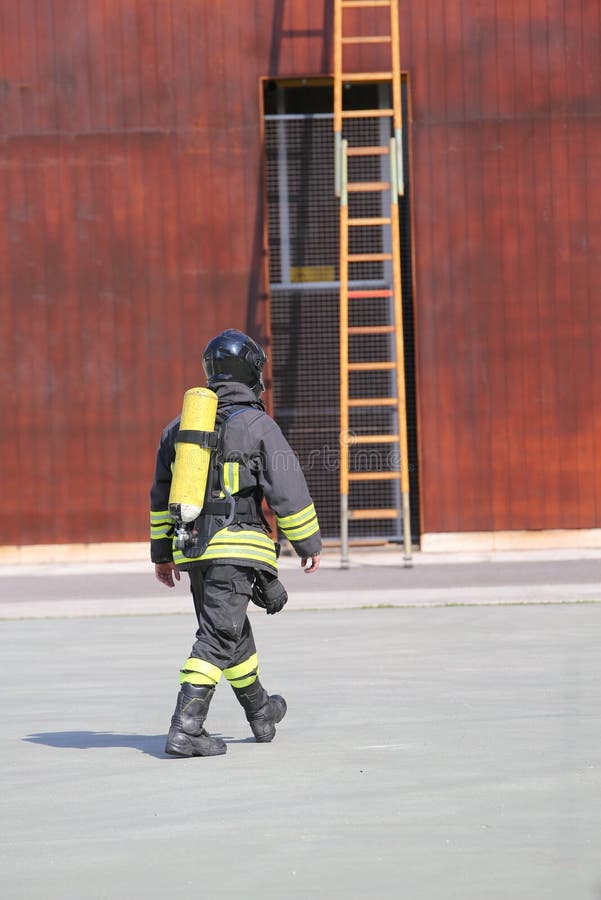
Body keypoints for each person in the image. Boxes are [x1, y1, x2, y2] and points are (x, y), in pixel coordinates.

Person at [150, 328, 321, 758]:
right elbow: (287, 486)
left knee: (232, 633)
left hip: (192, 551)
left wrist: (161, 555)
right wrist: (308, 542)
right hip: (236, 549)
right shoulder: (259, 426)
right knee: (216, 637)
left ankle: (261, 712)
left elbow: (160, 496)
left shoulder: (177, 430)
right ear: (251, 373)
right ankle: (186, 728)